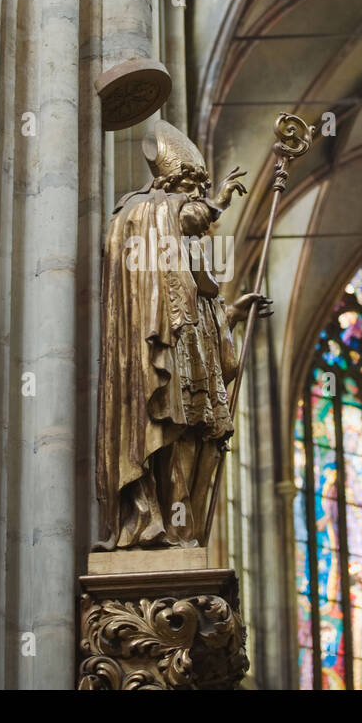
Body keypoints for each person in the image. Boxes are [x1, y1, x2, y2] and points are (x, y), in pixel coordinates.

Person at [95, 120, 268, 549]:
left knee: (196, 439)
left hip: (192, 357)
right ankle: (153, 521)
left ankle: (180, 530)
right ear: (175, 186)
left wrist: (232, 314)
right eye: (193, 188)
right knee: (167, 434)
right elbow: (190, 217)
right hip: (161, 352)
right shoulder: (144, 212)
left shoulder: (176, 235)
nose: (198, 198)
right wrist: (220, 202)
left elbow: (200, 303)